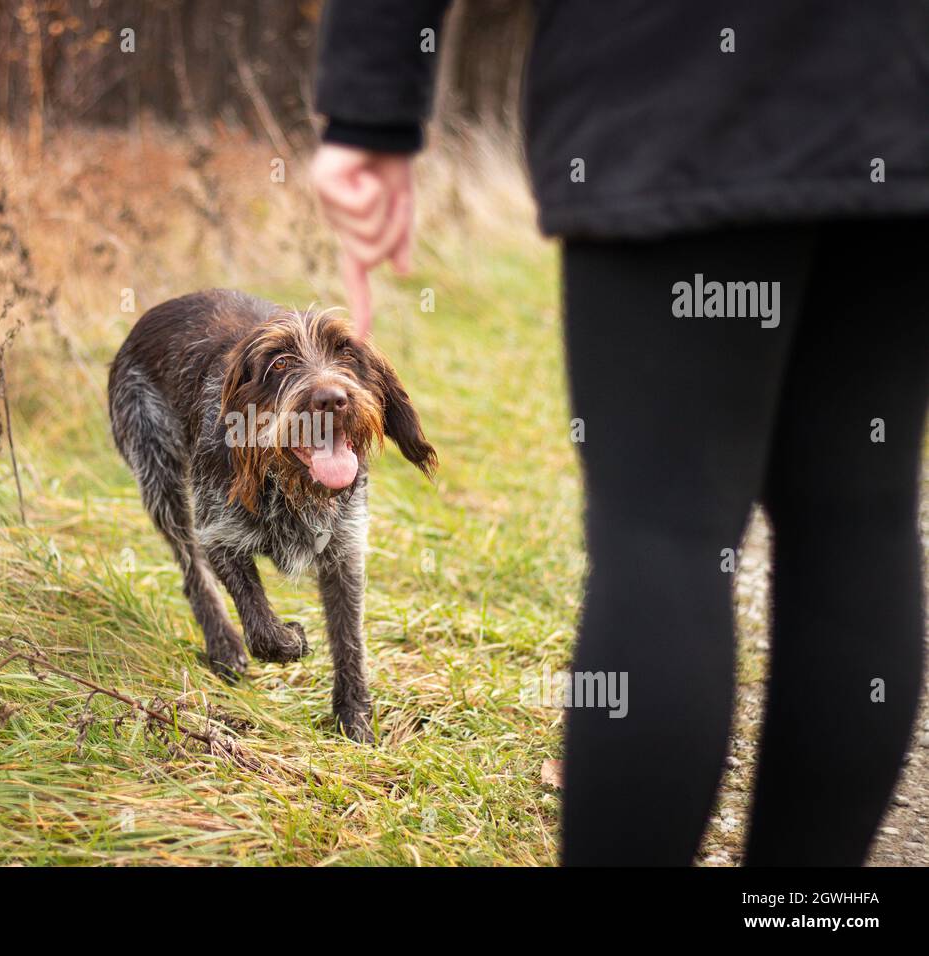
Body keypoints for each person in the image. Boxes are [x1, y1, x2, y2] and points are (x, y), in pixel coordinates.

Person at [310, 0, 929, 865]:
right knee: (856, 520)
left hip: (666, 79)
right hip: (898, 82)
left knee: (663, 537)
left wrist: (372, 102)